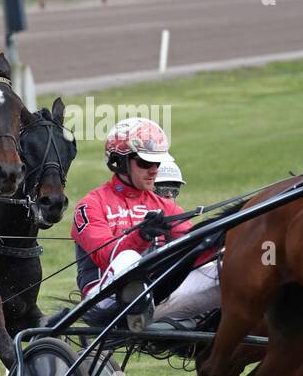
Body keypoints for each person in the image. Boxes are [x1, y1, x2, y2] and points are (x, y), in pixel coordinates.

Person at [72, 118, 217, 324]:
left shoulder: (163, 205)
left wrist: (227, 237)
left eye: (157, 163)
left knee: (223, 265)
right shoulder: (90, 205)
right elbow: (106, 257)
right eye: (145, 162)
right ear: (119, 162)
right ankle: (137, 306)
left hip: (155, 296)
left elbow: (194, 246)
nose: (154, 170)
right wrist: (141, 236)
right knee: (128, 258)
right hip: (104, 302)